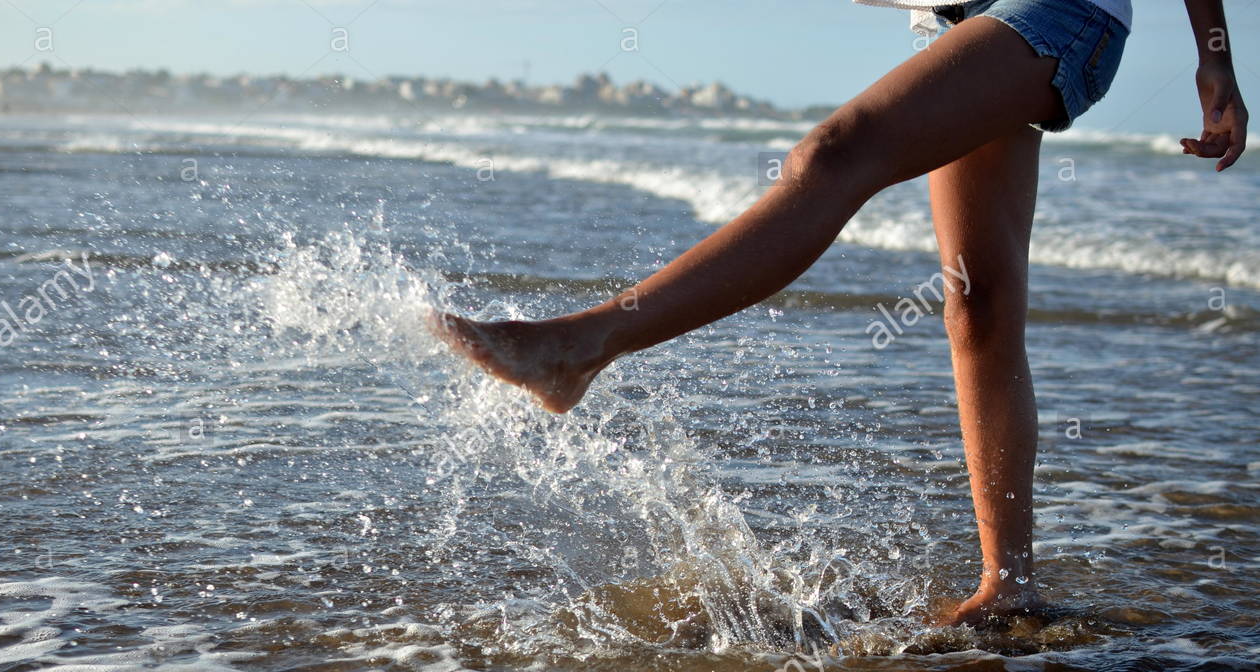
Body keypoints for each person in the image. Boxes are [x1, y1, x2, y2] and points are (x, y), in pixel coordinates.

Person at [431, 0, 1248, 627]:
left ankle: (582, 343)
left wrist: (1216, 60)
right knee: (977, 300)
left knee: (834, 153)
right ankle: (1010, 587)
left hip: (1061, 10)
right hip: (963, 16)